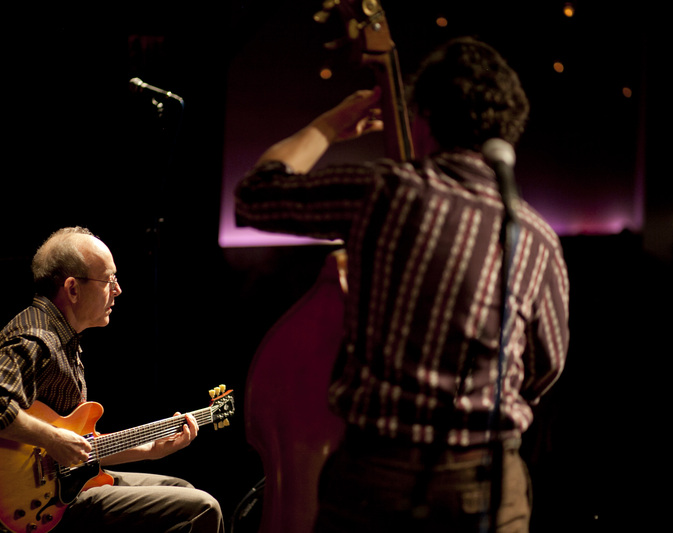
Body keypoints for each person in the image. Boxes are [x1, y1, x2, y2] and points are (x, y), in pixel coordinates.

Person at [235, 37, 569, 532]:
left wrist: (331, 124)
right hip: (492, 484)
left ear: (423, 119)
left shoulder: (386, 192)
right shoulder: (538, 237)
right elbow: (545, 367)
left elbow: (256, 196)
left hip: (377, 480)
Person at [0, 226, 224, 533]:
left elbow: (79, 448)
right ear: (72, 289)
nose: (119, 289)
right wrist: (51, 439)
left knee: (183, 488)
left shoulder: (63, 337)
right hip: (46, 505)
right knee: (202, 508)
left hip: (69, 486)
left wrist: (150, 451)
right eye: (109, 279)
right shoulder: (36, 337)